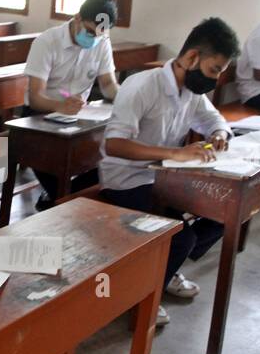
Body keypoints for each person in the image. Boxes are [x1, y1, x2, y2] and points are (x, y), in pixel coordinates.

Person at [100, 17, 240, 326]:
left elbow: (216, 121)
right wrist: (175, 153)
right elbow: (115, 145)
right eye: (213, 70)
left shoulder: (191, 91)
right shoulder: (143, 86)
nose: (215, 80)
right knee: (181, 237)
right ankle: (141, 301)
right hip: (126, 179)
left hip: (164, 178)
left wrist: (219, 134)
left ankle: (164, 269)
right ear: (192, 58)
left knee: (223, 214)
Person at [23, 0, 121, 207]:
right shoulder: (47, 42)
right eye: (89, 32)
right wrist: (60, 106)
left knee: (111, 162)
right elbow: (35, 98)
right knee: (59, 176)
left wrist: (128, 99)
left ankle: (60, 200)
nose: (93, 39)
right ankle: (63, 201)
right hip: (39, 120)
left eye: (98, 35)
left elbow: (108, 85)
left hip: (78, 119)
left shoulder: (101, 42)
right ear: (77, 18)